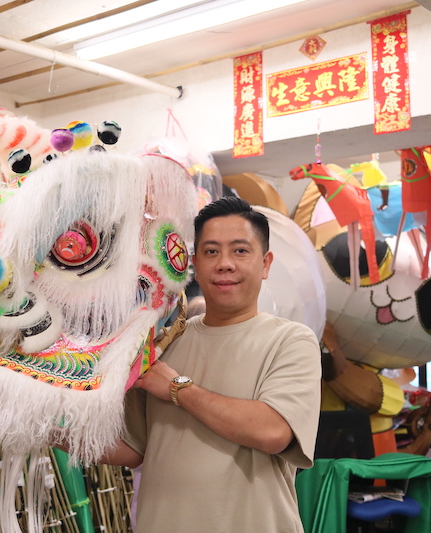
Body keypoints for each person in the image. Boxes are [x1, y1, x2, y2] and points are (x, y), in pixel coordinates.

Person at [102, 196, 322, 532]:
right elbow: (131, 448)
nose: (225, 264)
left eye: (240, 250)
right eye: (211, 251)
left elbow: (273, 431)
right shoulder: (164, 341)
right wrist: (42, 423)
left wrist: (177, 389)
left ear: (265, 264)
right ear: (194, 264)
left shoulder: (291, 340)